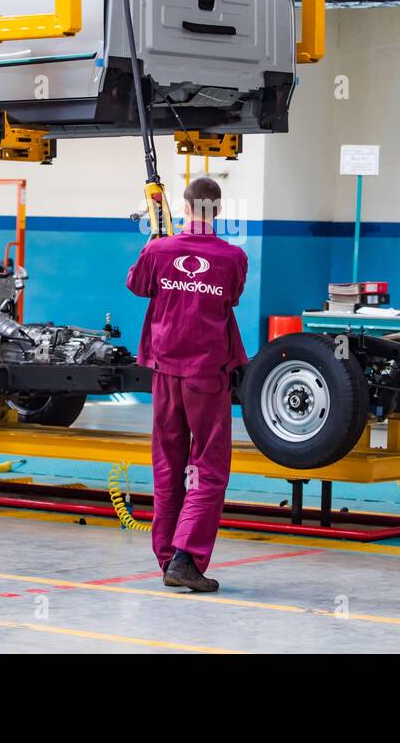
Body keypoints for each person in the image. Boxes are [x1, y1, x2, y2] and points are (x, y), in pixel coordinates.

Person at [126, 177, 248, 593]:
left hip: (164, 372)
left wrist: (157, 240)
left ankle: (168, 557)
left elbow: (137, 284)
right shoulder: (233, 257)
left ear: (185, 205)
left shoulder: (159, 251)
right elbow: (230, 298)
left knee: (168, 462)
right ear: (220, 209)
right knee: (207, 468)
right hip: (206, 376)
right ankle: (185, 557)